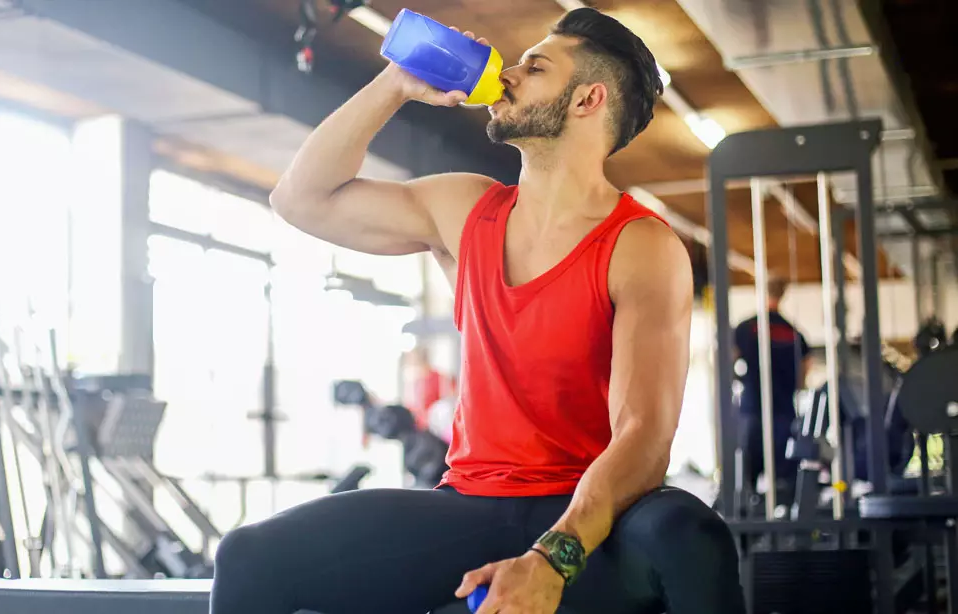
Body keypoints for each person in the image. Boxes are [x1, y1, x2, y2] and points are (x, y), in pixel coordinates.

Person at [212, 8, 744, 614]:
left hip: (592, 517)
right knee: (249, 557)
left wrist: (552, 559)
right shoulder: (464, 210)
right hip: (471, 502)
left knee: (689, 535)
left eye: (534, 67)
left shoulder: (641, 246)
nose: (508, 75)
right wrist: (395, 84)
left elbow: (644, 439)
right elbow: (300, 199)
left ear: (587, 100)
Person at [733, 276, 811, 495]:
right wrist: (796, 386)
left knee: (747, 479)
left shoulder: (747, 327)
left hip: (753, 408)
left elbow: (729, 358)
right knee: (785, 480)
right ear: (783, 294)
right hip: (783, 410)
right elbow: (806, 366)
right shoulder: (793, 332)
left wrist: (738, 380)